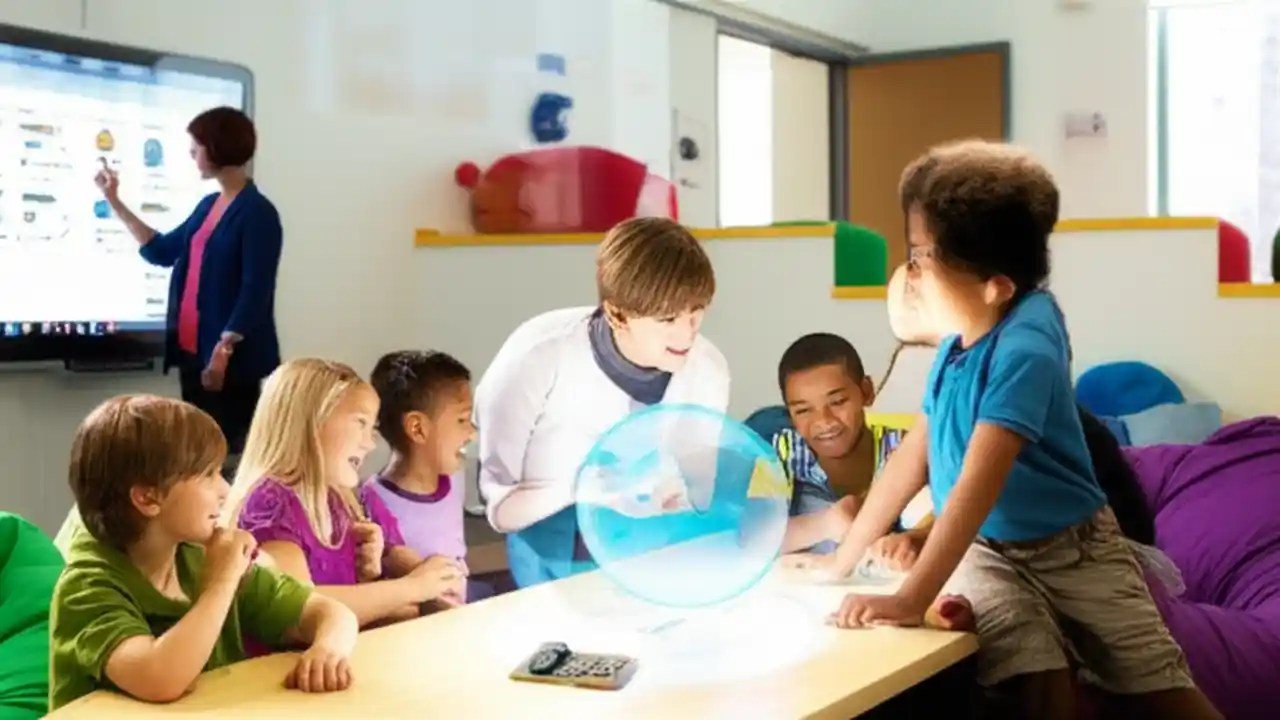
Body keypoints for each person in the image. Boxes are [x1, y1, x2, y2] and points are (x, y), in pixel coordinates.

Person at [798, 140, 1220, 719]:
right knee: (1030, 666)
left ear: (994, 285)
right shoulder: (954, 342)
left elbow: (977, 486)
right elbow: (913, 454)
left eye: (922, 257)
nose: (909, 274)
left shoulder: (1027, 347)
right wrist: (840, 560)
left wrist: (912, 597)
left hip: (1073, 551)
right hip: (985, 549)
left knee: (1157, 685)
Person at [48, 395, 357, 711]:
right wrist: (220, 582)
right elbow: (160, 679)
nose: (225, 490)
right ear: (148, 498)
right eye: (209, 475)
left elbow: (330, 613)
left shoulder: (195, 554)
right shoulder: (86, 587)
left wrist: (329, 649)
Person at [474, 217, 730, 588]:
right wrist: (585, 487)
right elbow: (500, 508)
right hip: (550, 550)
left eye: (697, 312)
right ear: (617, 314)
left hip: (650, 551)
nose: (687, 333)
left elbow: (699, 490)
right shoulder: (536, 358)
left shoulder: (707, 369)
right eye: (667, 319)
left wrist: (682, 503)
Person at [94, 106, 283, 463]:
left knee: (229, 459)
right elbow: (162, 251)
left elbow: (256, 290)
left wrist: (223, 351)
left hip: (228, 364)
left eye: (196, 147)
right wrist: (113, 200)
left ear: (217, 147)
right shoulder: (209, 206)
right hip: (193, 355)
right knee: (197, 458)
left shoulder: (259, 213)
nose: (191, 154)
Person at [223, 359, 465, 629]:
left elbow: (392, 603)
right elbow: (296, 610)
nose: (370, 444)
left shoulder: (345, 502)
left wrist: (377, 577)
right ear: (310, 420)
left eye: (371, 428)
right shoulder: (270, 502)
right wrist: (412, 588)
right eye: (360, 422)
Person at [774, 333, 934, 563]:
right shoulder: (779, 454)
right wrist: (827, 523)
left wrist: (915, 539)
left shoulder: (903, 450)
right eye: (803, 410)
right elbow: (747, 539)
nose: (824, 421)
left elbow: (948, 517)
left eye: (838, 402)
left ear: (866, 392)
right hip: (802, 581)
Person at [366, 350, 488, 603]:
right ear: (417, 428)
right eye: (462, 420)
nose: (472, 432)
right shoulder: (373, 503)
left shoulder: (454, 476)